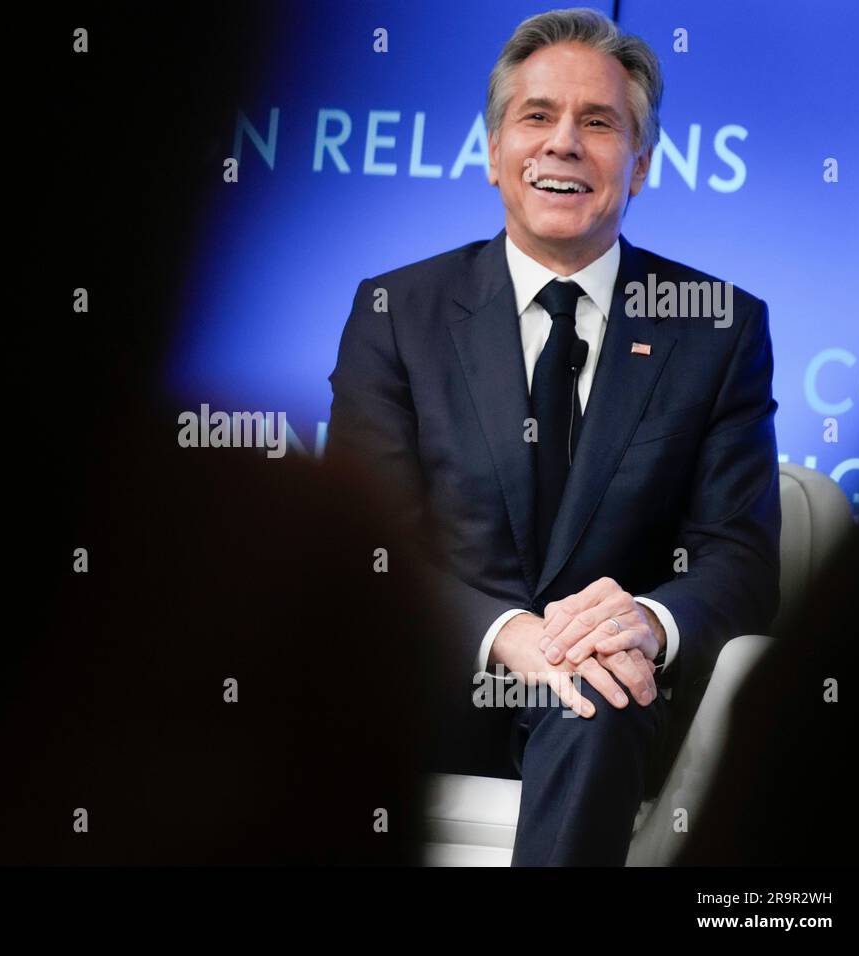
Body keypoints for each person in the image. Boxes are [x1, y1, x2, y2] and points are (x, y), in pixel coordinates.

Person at [326, 7, 780, 865]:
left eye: (599, 122)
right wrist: (512, 637)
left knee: (594, 692)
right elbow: (366, 547)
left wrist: (644, 622)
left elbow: (739, 558)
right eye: (537, 116)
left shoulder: (719, 326)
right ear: (495, 151)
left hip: (616, 697)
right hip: (435, 678)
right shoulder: (396, 312)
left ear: (641, 165)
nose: (564, 143)